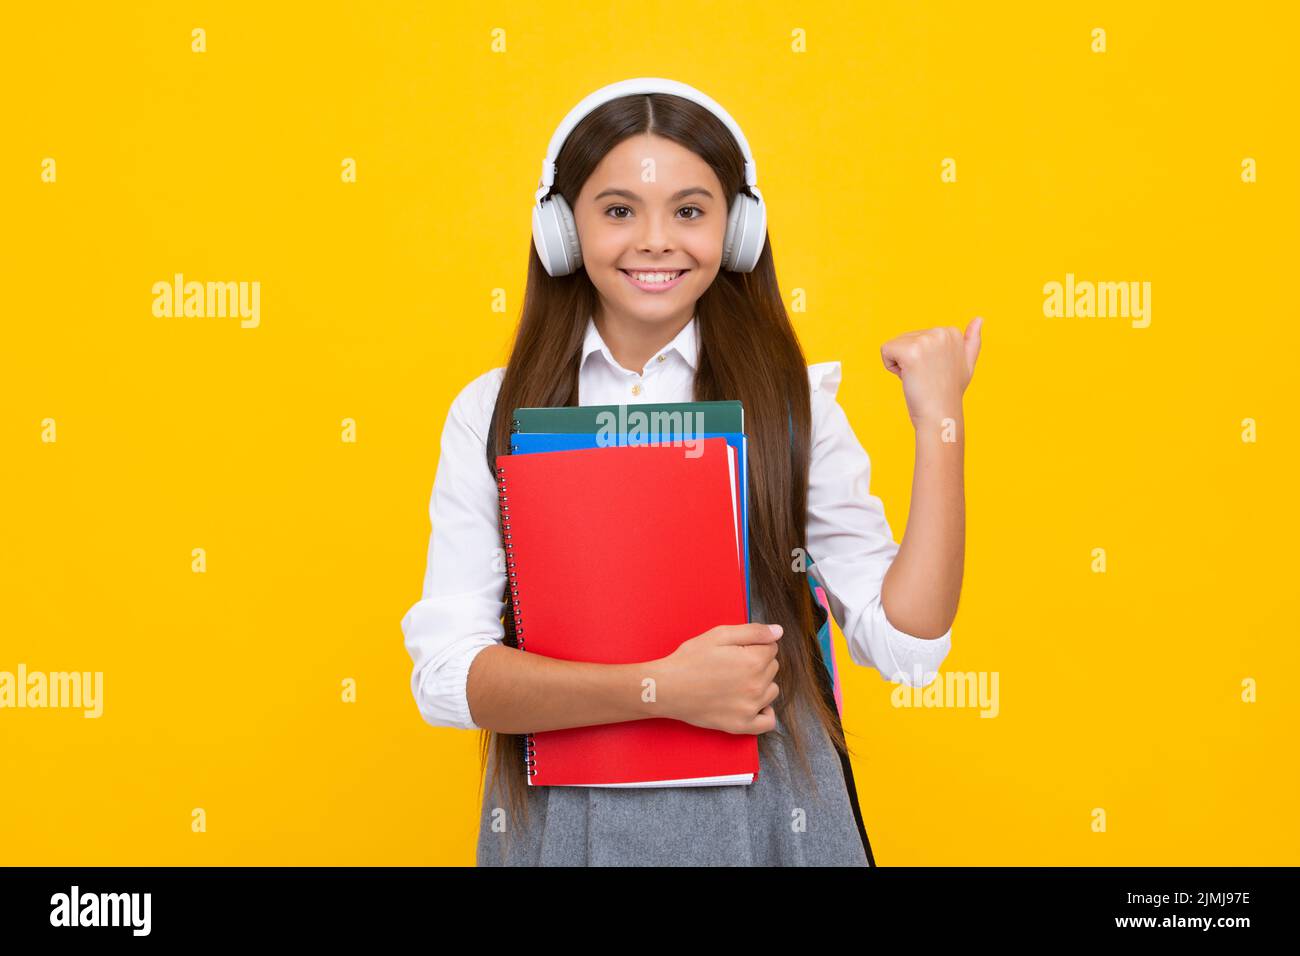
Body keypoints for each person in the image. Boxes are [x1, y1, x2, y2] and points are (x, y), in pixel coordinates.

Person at [401, 77, 981, 866]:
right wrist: (660, 689)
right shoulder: (492, 412)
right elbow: (447, 677)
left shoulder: (794, 405)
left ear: (737, 230)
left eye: (689, 211)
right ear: (561, 230)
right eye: (618, 211)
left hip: (773, 822)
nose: (655, 241)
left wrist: (939, 421)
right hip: (567, 826)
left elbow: (905, 644)